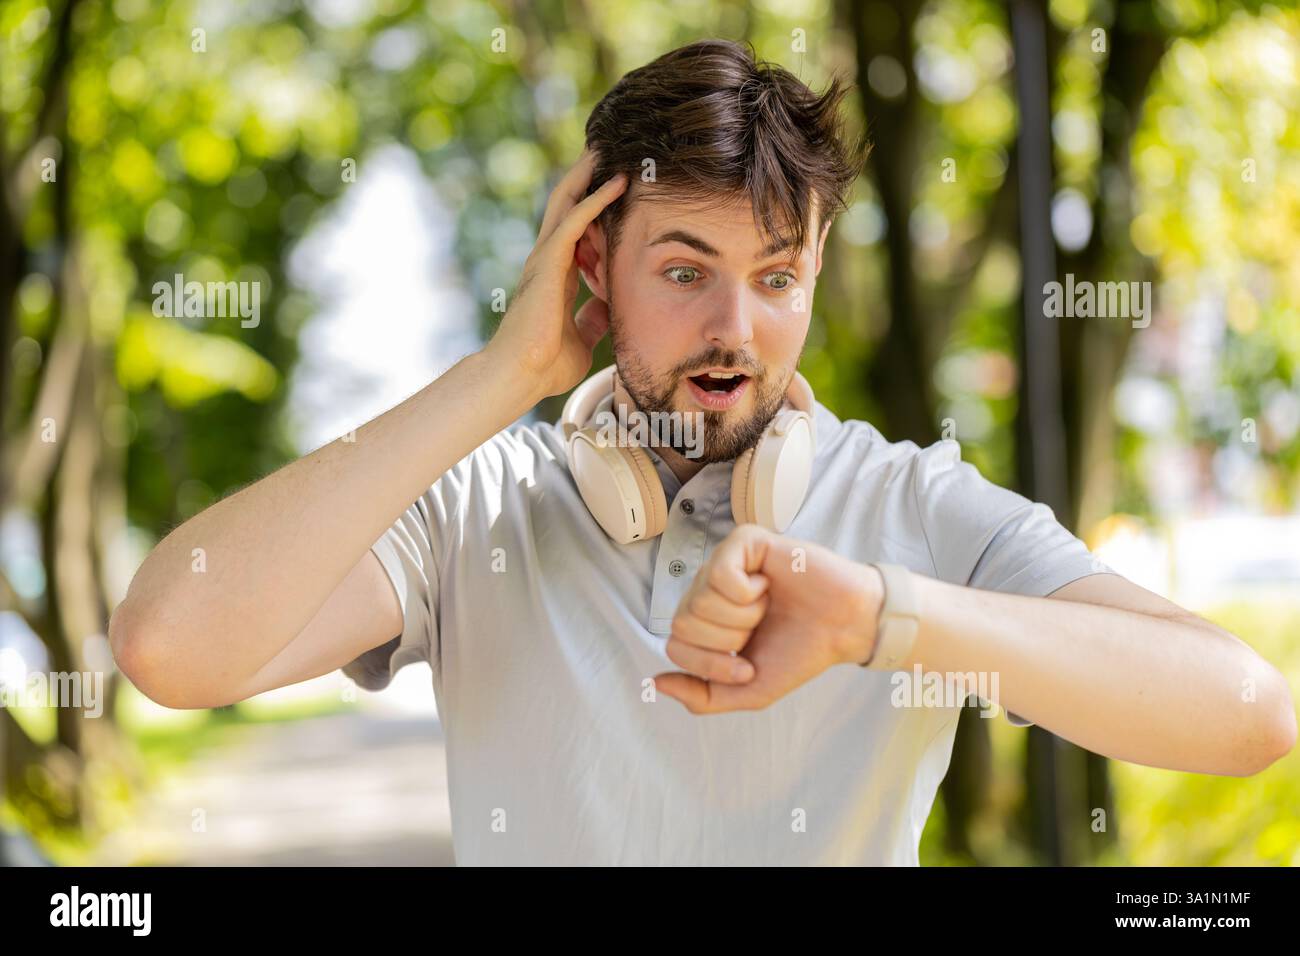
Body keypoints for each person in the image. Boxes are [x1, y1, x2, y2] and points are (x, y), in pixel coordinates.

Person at [109, 39, 1296, 865]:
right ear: (591, 268)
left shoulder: (912, 508)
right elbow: (169, 646)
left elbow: (1249, 713)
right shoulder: (472, 512)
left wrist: (881, 619)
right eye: (683, 271)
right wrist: (502, 377)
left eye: (776, 277)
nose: (736, 329)